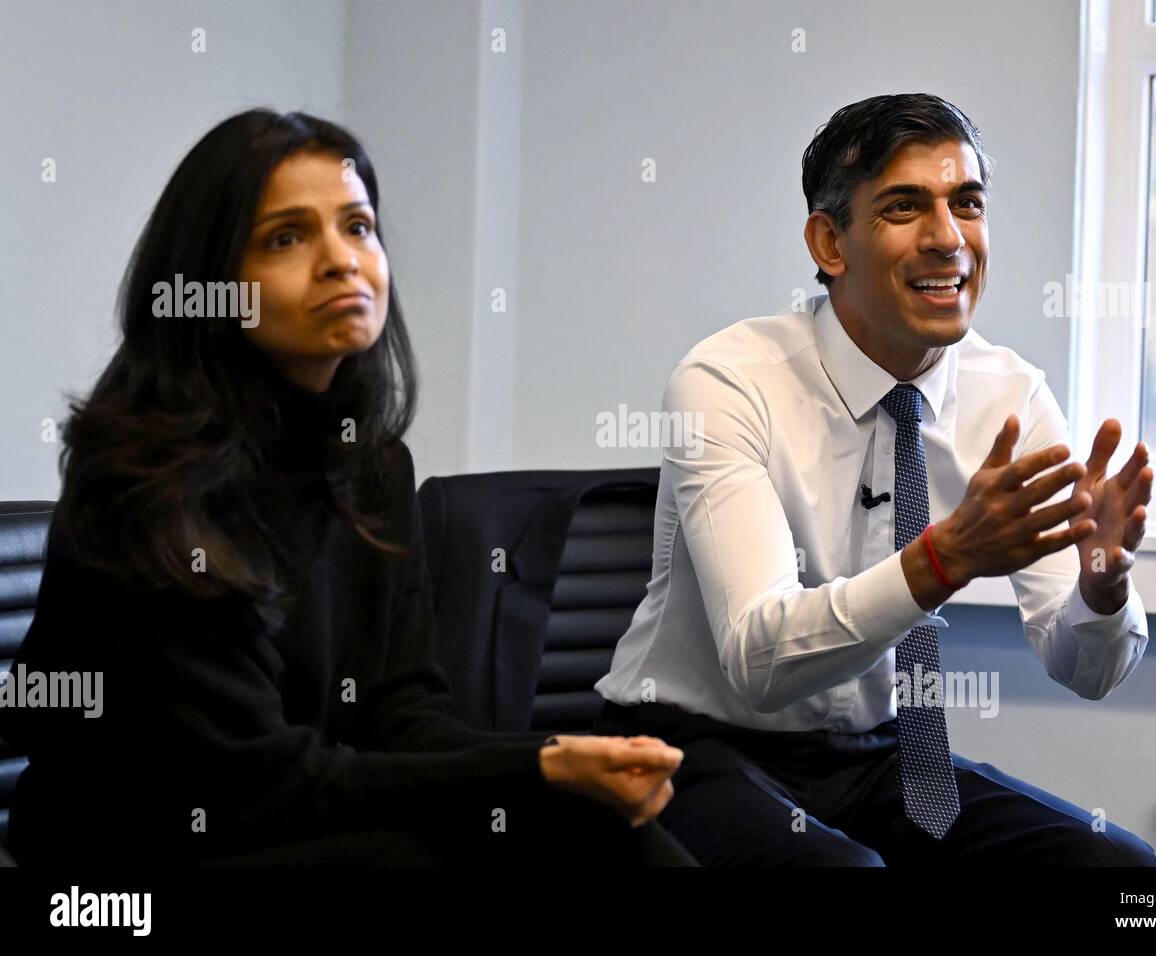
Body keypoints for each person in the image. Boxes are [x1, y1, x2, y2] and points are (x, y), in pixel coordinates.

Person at [0, 109, 694, 867]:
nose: (340, 260)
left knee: (597, 820)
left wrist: (565, 761)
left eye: (357, 227)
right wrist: (534, 770)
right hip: (135, 856)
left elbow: (404, 715)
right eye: (286, 238)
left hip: (298, 811)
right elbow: (254, 780)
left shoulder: (372, 466)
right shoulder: (145, 483)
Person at [594, 93, 1156, 866]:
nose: (948, 238)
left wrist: (1101, 586)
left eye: (967, 203)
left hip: (876, 755)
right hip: (686, 748)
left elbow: (1086, 671)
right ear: (830, 243)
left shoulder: (1011, 394)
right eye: (905, 207)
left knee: (1118, 869)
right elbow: (760, 663)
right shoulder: (727, 381)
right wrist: (943, 561)